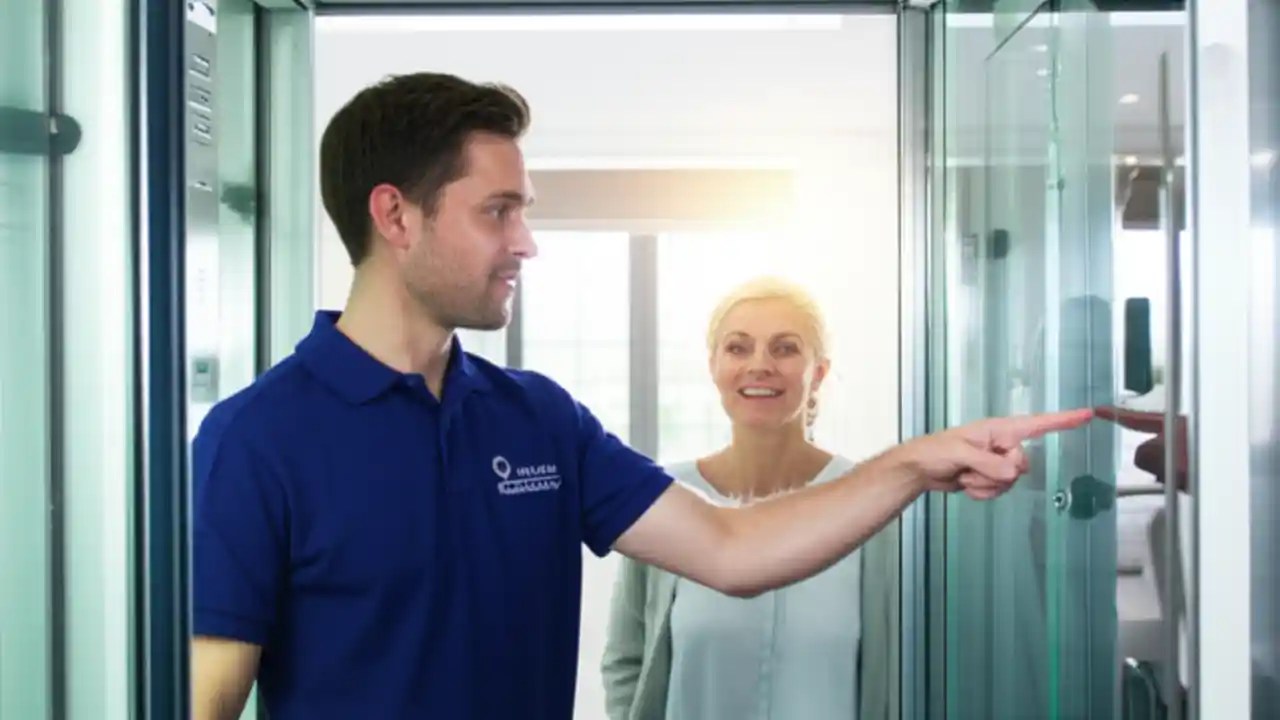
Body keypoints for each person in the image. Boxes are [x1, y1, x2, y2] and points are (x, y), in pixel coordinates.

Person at [190, 71, 1093, 720]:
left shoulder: (537, 417)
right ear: (395, 216)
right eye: (498, 210)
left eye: (527, 210)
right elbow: (209, 699)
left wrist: (912, 464)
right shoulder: (255, 440)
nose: (527, 243)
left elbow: (731, 548)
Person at [601, 276, 897, 720]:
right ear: (714, 367)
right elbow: (627, 661)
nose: (760, 365)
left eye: (785, 348)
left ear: (818, 372)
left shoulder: (868, 505)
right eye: (738, 348)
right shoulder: (663, 499)